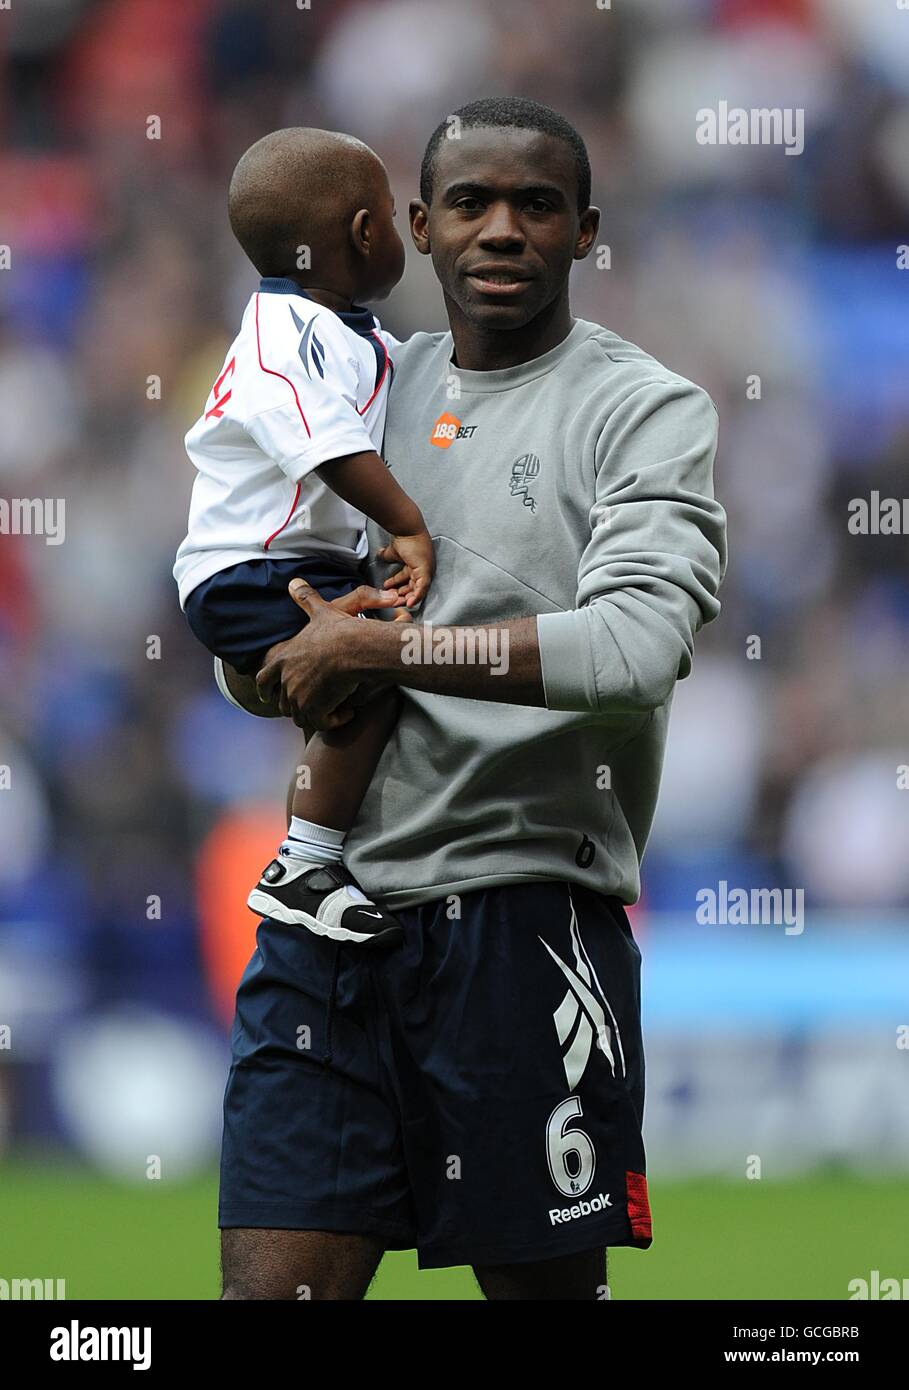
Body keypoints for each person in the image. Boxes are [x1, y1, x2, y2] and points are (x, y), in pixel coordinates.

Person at [217, 97, 728, 1300]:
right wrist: (273, 654)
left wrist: (379, 657)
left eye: (537, 205)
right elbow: (269, 653)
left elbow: (634, 646)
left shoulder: (644, 410)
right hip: (325, 926)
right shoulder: (364, 395)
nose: (503, 230)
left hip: (523, 918)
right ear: (417, 229)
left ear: (586, 231)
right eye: (471, 204)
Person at [174, 128, 434, 948]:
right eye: (393, 217)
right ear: (364, 232)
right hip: (248, 570)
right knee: (376, 667)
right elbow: (326, 446)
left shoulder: (358, 336)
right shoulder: (278, 338)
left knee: (377, 663)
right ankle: (304, 863)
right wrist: (408, 524)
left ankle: (329, 844)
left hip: (308, 568)